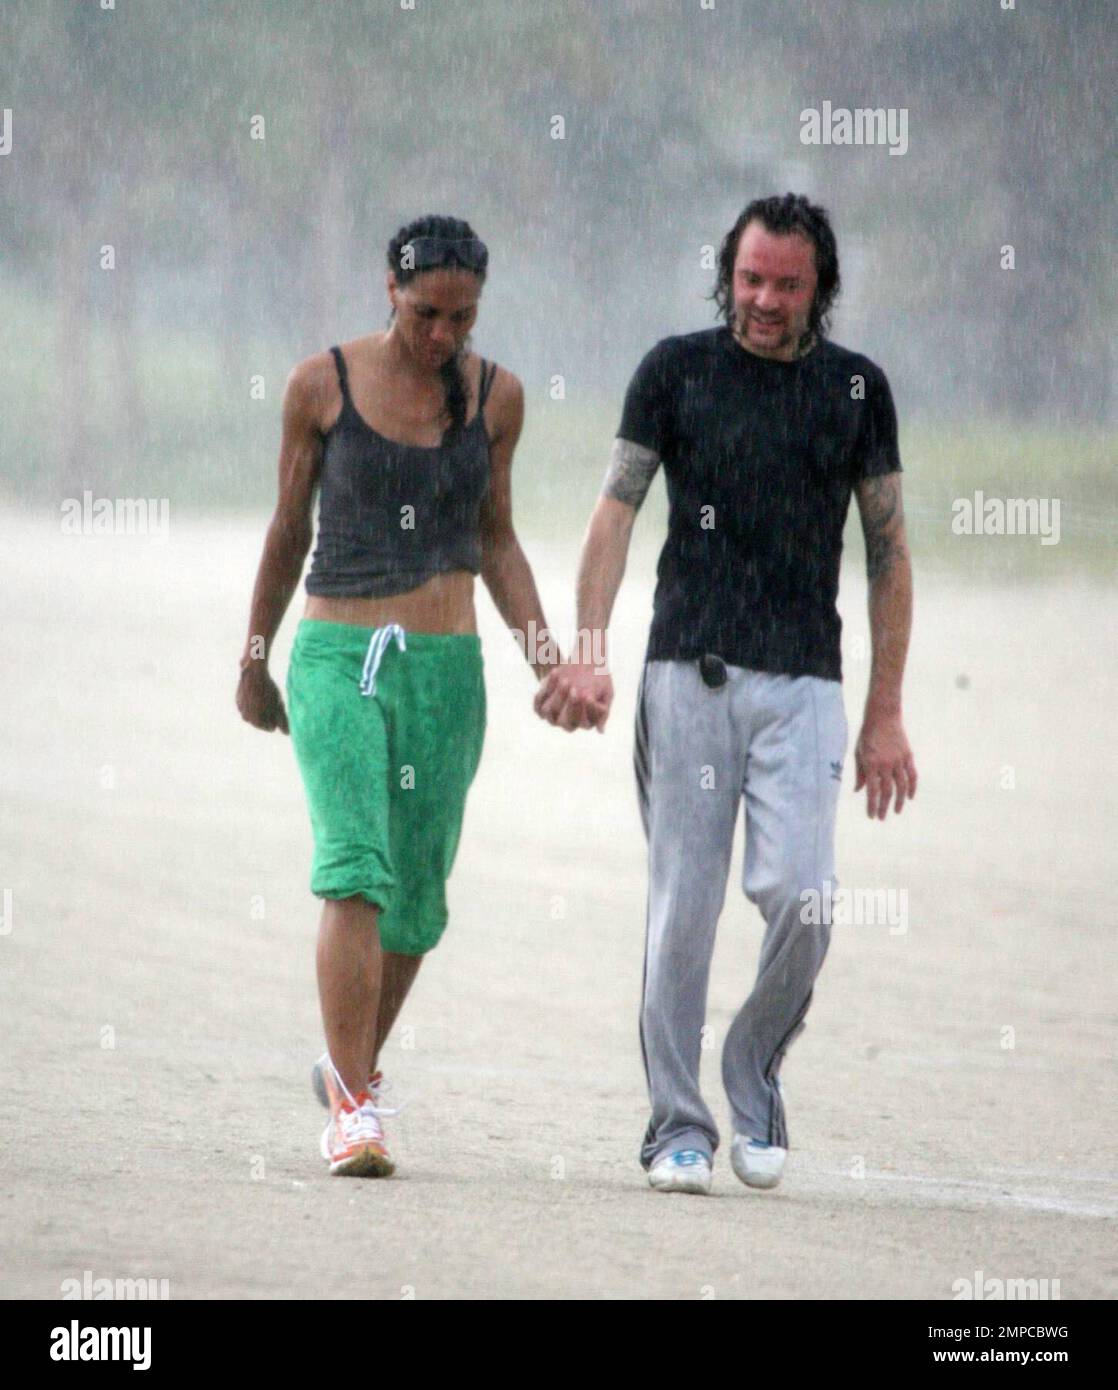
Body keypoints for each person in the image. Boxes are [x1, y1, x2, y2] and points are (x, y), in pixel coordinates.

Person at [535, 193, 917, 1195]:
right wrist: (589, 650)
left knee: (803, 895)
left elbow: (887, 554)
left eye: (787, 284)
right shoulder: (674, 372)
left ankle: (753, 1067)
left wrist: (884, 712)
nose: (764, 300)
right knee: (683, 909)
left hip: (805, 683)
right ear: (726, 275)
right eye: (750, 279)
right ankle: (678, 1126)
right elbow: (614, 512)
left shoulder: (856, 391)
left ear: (818, 289)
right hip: (687, 674)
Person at [237, 215, 555, 1177]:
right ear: (390, 290)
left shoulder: (498, 398)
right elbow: (287, 530)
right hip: (338, 658)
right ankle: (353, 1111)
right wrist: (254, 658)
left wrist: (550, 660)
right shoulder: (320, 384)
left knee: (416, 902)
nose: (442, 335)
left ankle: (350, 1070)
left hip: (447, 671)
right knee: (355, 867)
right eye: (425, 314)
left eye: (462, 317)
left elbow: (496, 539)